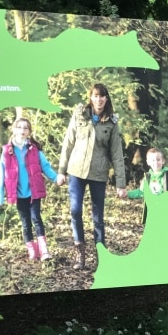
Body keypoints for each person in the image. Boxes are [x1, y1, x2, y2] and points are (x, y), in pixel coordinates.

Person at [55, 83, 128, 270]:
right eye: (96, 96)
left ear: (107, 99)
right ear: (91, 97)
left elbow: (117, 154)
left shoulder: (111, 122)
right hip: (76, 171)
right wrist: (61, 171)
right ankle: (80, 252)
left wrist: (121, 183)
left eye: (102, 96)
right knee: (75, 210)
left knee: (98, 217)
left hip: (98, 173)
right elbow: (68, 142)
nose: (99, 99)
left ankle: (101, 255)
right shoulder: (80, 114)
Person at [0, 117, 59, 261]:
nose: (22, 130)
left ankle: (44, 250)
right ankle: (32, 249)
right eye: (19, 127)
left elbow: (45, 167)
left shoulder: (34, 150)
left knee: (36, 218)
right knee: (25, 223)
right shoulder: (7, 152)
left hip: (33, 192)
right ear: (14, 129)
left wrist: (56, 178)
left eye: (25, 128)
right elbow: (1, 175)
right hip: (18, 194)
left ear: (29, 132)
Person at [127, 147, 168, 222]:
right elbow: (141, 192)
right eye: (153, 160)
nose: (156, 162)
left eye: (158, 159)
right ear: (148, 162)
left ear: (163, 161)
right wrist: (127, 194)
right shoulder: (147, 178)